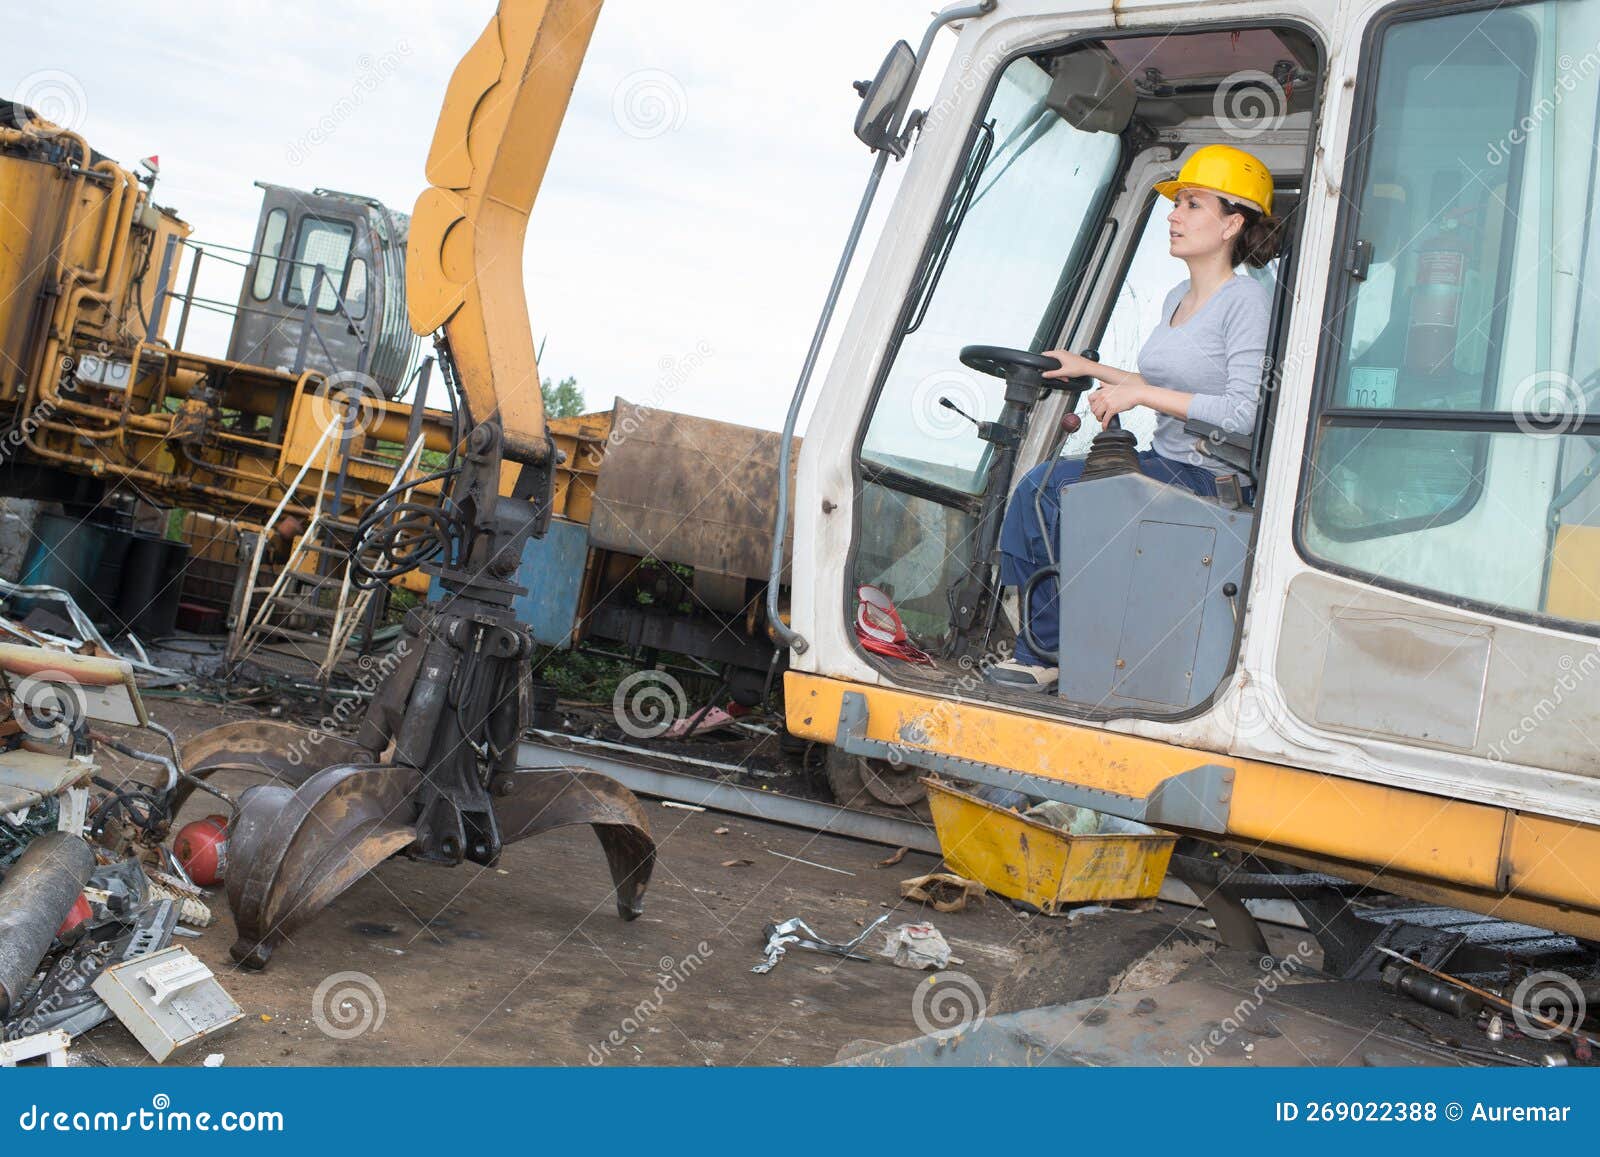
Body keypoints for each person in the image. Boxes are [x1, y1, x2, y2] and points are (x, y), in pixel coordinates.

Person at [989, 144, 1281, 689]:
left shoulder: (1246, 302)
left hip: (1211, 477)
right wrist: (1092, 368)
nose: (1174, 215)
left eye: (1192, 204)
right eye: (1177, 203)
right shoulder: (1177, 294)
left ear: (1231, 224)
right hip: (1167, 460)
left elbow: (1242, 414)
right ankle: (1047, 638)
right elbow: (1167, 384)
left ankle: (1048, 653)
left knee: (1059, 493)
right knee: (1039, 486)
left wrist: (1139, 396)